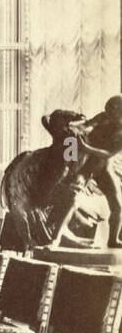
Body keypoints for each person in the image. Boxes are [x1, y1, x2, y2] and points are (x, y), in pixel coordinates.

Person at [67, 95, 122, 247]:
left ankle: (113, 240)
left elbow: (107, 153)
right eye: (109, 111)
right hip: (87, 165)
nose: (110, 114)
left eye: (114, 112)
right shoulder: (104, 117)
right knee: (72, 195)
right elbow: (87, 123)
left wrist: (86, 148)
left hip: (103, 167)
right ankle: (59, 234)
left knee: (117, 206)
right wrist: (75, 125)